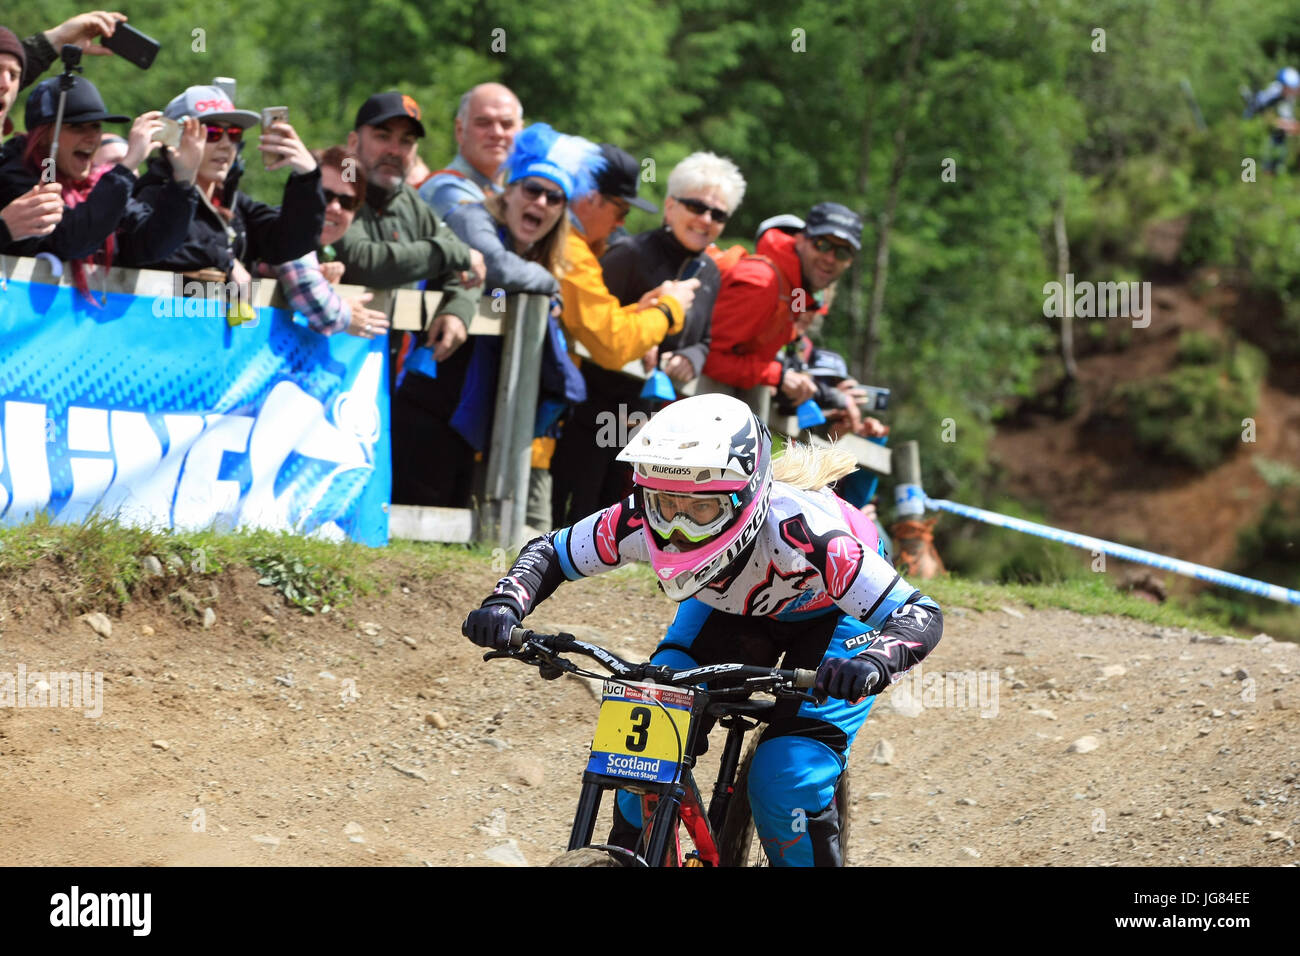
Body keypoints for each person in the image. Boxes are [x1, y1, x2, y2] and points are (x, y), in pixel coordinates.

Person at [463, 393, 944, 867]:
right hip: (730, 610)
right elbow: (552, 552)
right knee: (641, 750)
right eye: (663, 503)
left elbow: (921, 612)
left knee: (787, 777)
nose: (675, 527)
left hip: (834, 616)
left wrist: (875, 660)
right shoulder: (639, 517)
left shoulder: (807, 534)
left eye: (700, 510)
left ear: (744, 500)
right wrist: (506, 602)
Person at [395, 123, 594, 517]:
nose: (540, 202)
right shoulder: (472, 218)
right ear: (509, 192)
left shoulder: (537, 255)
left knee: (453, 540)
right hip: (426, 402)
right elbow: (497, 267)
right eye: (531, 190)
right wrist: (551, 286)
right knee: (414, 522)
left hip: (473, 420)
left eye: (553, 197)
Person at [548, 151, 742, 530]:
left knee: (623, 519)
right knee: (575, 512)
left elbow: (704, 339)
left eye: (718, 214)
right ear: (670, 207)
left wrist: (691, 356)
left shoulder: (711, 273)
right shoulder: (630, 254)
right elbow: (592, 326)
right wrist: (642, 322)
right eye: (697, 206)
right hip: (592, 407)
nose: (706, 219)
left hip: (654, 422)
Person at [333, 90, 485, 391]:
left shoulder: (408, 202)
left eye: (406, 141)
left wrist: (458, 311)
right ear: (353, 142)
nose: (394, 150)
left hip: (378, 376)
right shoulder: (334, 187)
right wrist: (454, 252)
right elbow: (364, 261)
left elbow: (469, 273)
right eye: (382, 136)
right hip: (319, 363)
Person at [0, 75, 203, 286]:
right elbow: (70, 238)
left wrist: (183, 180)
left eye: (96, 126)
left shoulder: (99, 183)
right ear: (43, 136)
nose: (91, 137)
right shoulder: (15, 177)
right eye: (76, 127)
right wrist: (128, 164)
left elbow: (151, 245)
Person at [132, 85, 324, 288]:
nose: (226, 144)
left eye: (234, 134)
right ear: (174, 141)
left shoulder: (234, 202)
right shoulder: (151, 194)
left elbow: (288, 244)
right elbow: (159, 243)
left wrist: (307, 177)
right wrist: (226, 261)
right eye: (211, 133)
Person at [700, 202, 865, 423]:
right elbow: (704, 356)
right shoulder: (762, 283)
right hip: (677, 420)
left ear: (850, 262)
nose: (830, 258)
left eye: (842, 252)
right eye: (822, 245)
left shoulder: (795, 292)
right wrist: (777, 376)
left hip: (712, 420)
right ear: (801, 239)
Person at [268, 146, 389, 338]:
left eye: (347, 202)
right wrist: (347, 316)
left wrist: (329, 284)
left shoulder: (325, 252)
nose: (335, 207)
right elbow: (308, 293)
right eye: (325, 195)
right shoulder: (279, 227)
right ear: (302, 192)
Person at [418, 82, 522, 219]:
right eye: (484, 123)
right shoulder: (445, 190)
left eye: (507, 124)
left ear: (521, 132)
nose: (497, 133)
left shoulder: (511, 193)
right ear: (460, 131)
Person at [1244, 66, 1300, 173]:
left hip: (1277, 137)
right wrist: (1292, 126)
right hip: (1265, 137)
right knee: (1265, 166)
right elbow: (1268, 119)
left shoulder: (1286, 96)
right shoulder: (1273, 95)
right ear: (1284, 86)